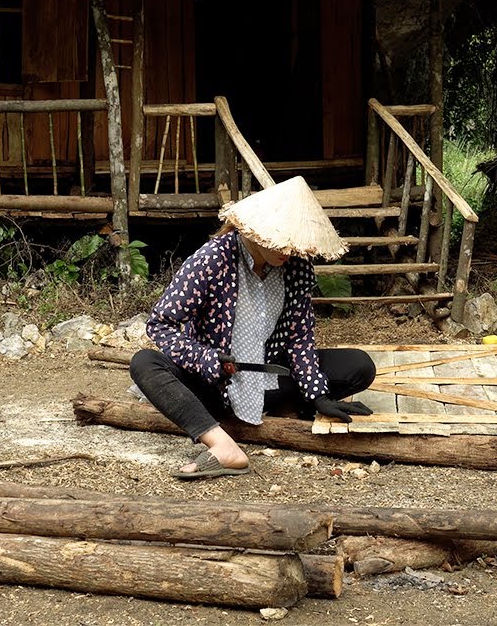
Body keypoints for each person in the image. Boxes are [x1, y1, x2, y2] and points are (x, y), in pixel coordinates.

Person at [129, 176, 376, 480]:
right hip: (216, 384)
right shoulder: (212, 259)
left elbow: (300, 334)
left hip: (269, 377)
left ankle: (290, 403)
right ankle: (222, 444)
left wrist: (317, 393)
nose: (288, 251)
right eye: (282, 241)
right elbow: (160, 324)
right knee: (144, 362)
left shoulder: (296, 266)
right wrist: (206, 359)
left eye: (294, 243)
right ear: (257, 230)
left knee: (360, 366)